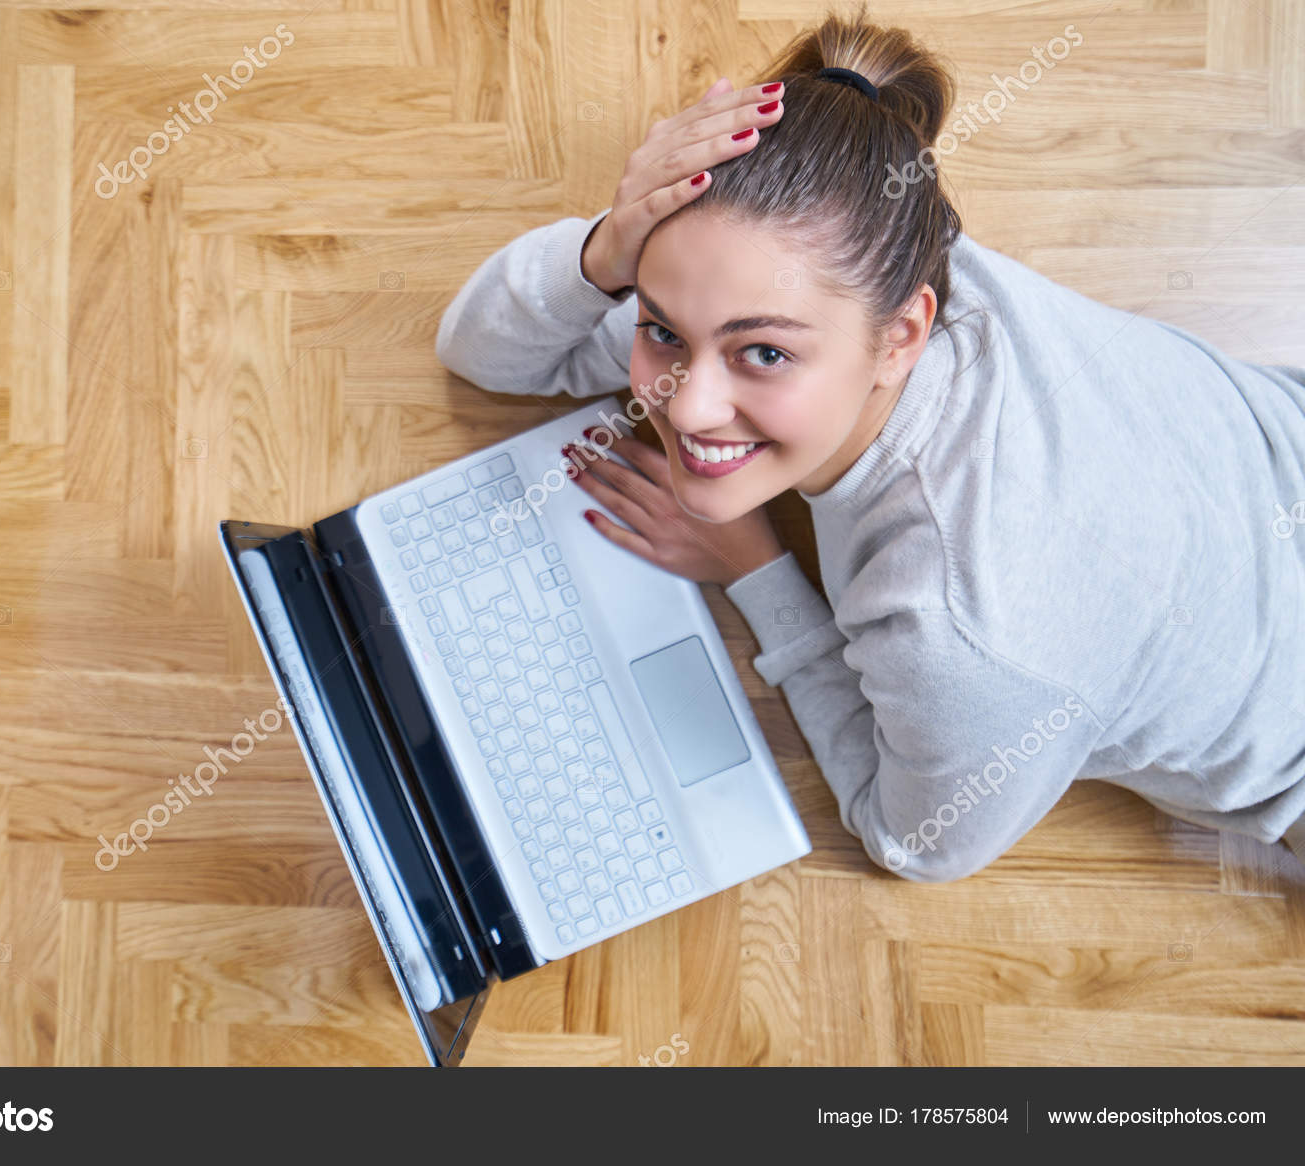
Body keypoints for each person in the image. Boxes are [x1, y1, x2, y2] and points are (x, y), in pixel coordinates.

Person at [433, 5, 1305, 880]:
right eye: (660, 329)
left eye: (763, 353)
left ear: (903, 336)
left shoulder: (962, 631)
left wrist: (755, 566)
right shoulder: (862, 248)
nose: (688, 407)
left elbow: (918, 845)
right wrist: (605, 250)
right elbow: (482, 354)